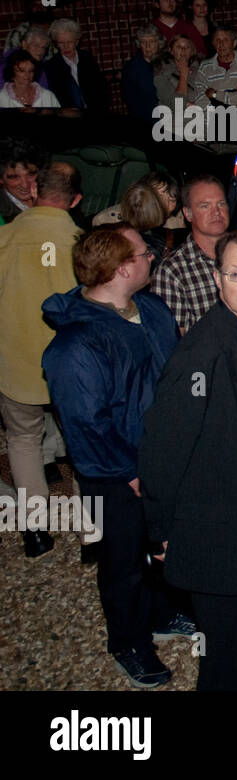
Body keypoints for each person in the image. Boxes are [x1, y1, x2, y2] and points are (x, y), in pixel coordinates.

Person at [136, 229, 237, 690]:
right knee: (226, 665)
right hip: (219, 538)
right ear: (216, 278)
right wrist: (160, 531)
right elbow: (163, 451)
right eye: (236, 274)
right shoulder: (200, 354)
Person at [44, 225, 190, 688]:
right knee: (123, 561)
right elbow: (86, 424)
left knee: (164, 544)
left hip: (163, 459)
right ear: (124, 266)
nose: (153, 258)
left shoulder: (149, 309)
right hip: (116, 474)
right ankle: (128, 642)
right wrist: (128, 473)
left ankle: (163, 613)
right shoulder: (75, 346)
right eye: (146, 253)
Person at [0, 164, 82, 558]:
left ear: (33, 190)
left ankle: (35, 533)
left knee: (23, 441)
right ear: (76, 200)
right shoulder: (80, 242)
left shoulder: (6, 236)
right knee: (82, 442)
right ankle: (92, 532)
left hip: (16, 361)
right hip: (71, 367)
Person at [150, 176, 229, 334]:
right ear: (188, 213)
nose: (217, 212)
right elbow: (173, 338)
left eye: (221, 204)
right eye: (205, 206)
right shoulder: (172, 271)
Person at [192, 29, 237, 110]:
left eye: (226, 40)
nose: (221, 44)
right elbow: (199, 100)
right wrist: (232, 93)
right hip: (212, 119)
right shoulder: (205, 67)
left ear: (234, 43)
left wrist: (215, 95)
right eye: (217, 40)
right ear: (213, 44)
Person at [1, 141, 42, 223]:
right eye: (14, 177)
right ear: (1, 179)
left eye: (31, 174)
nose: (25, 184)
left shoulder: (54, 195)